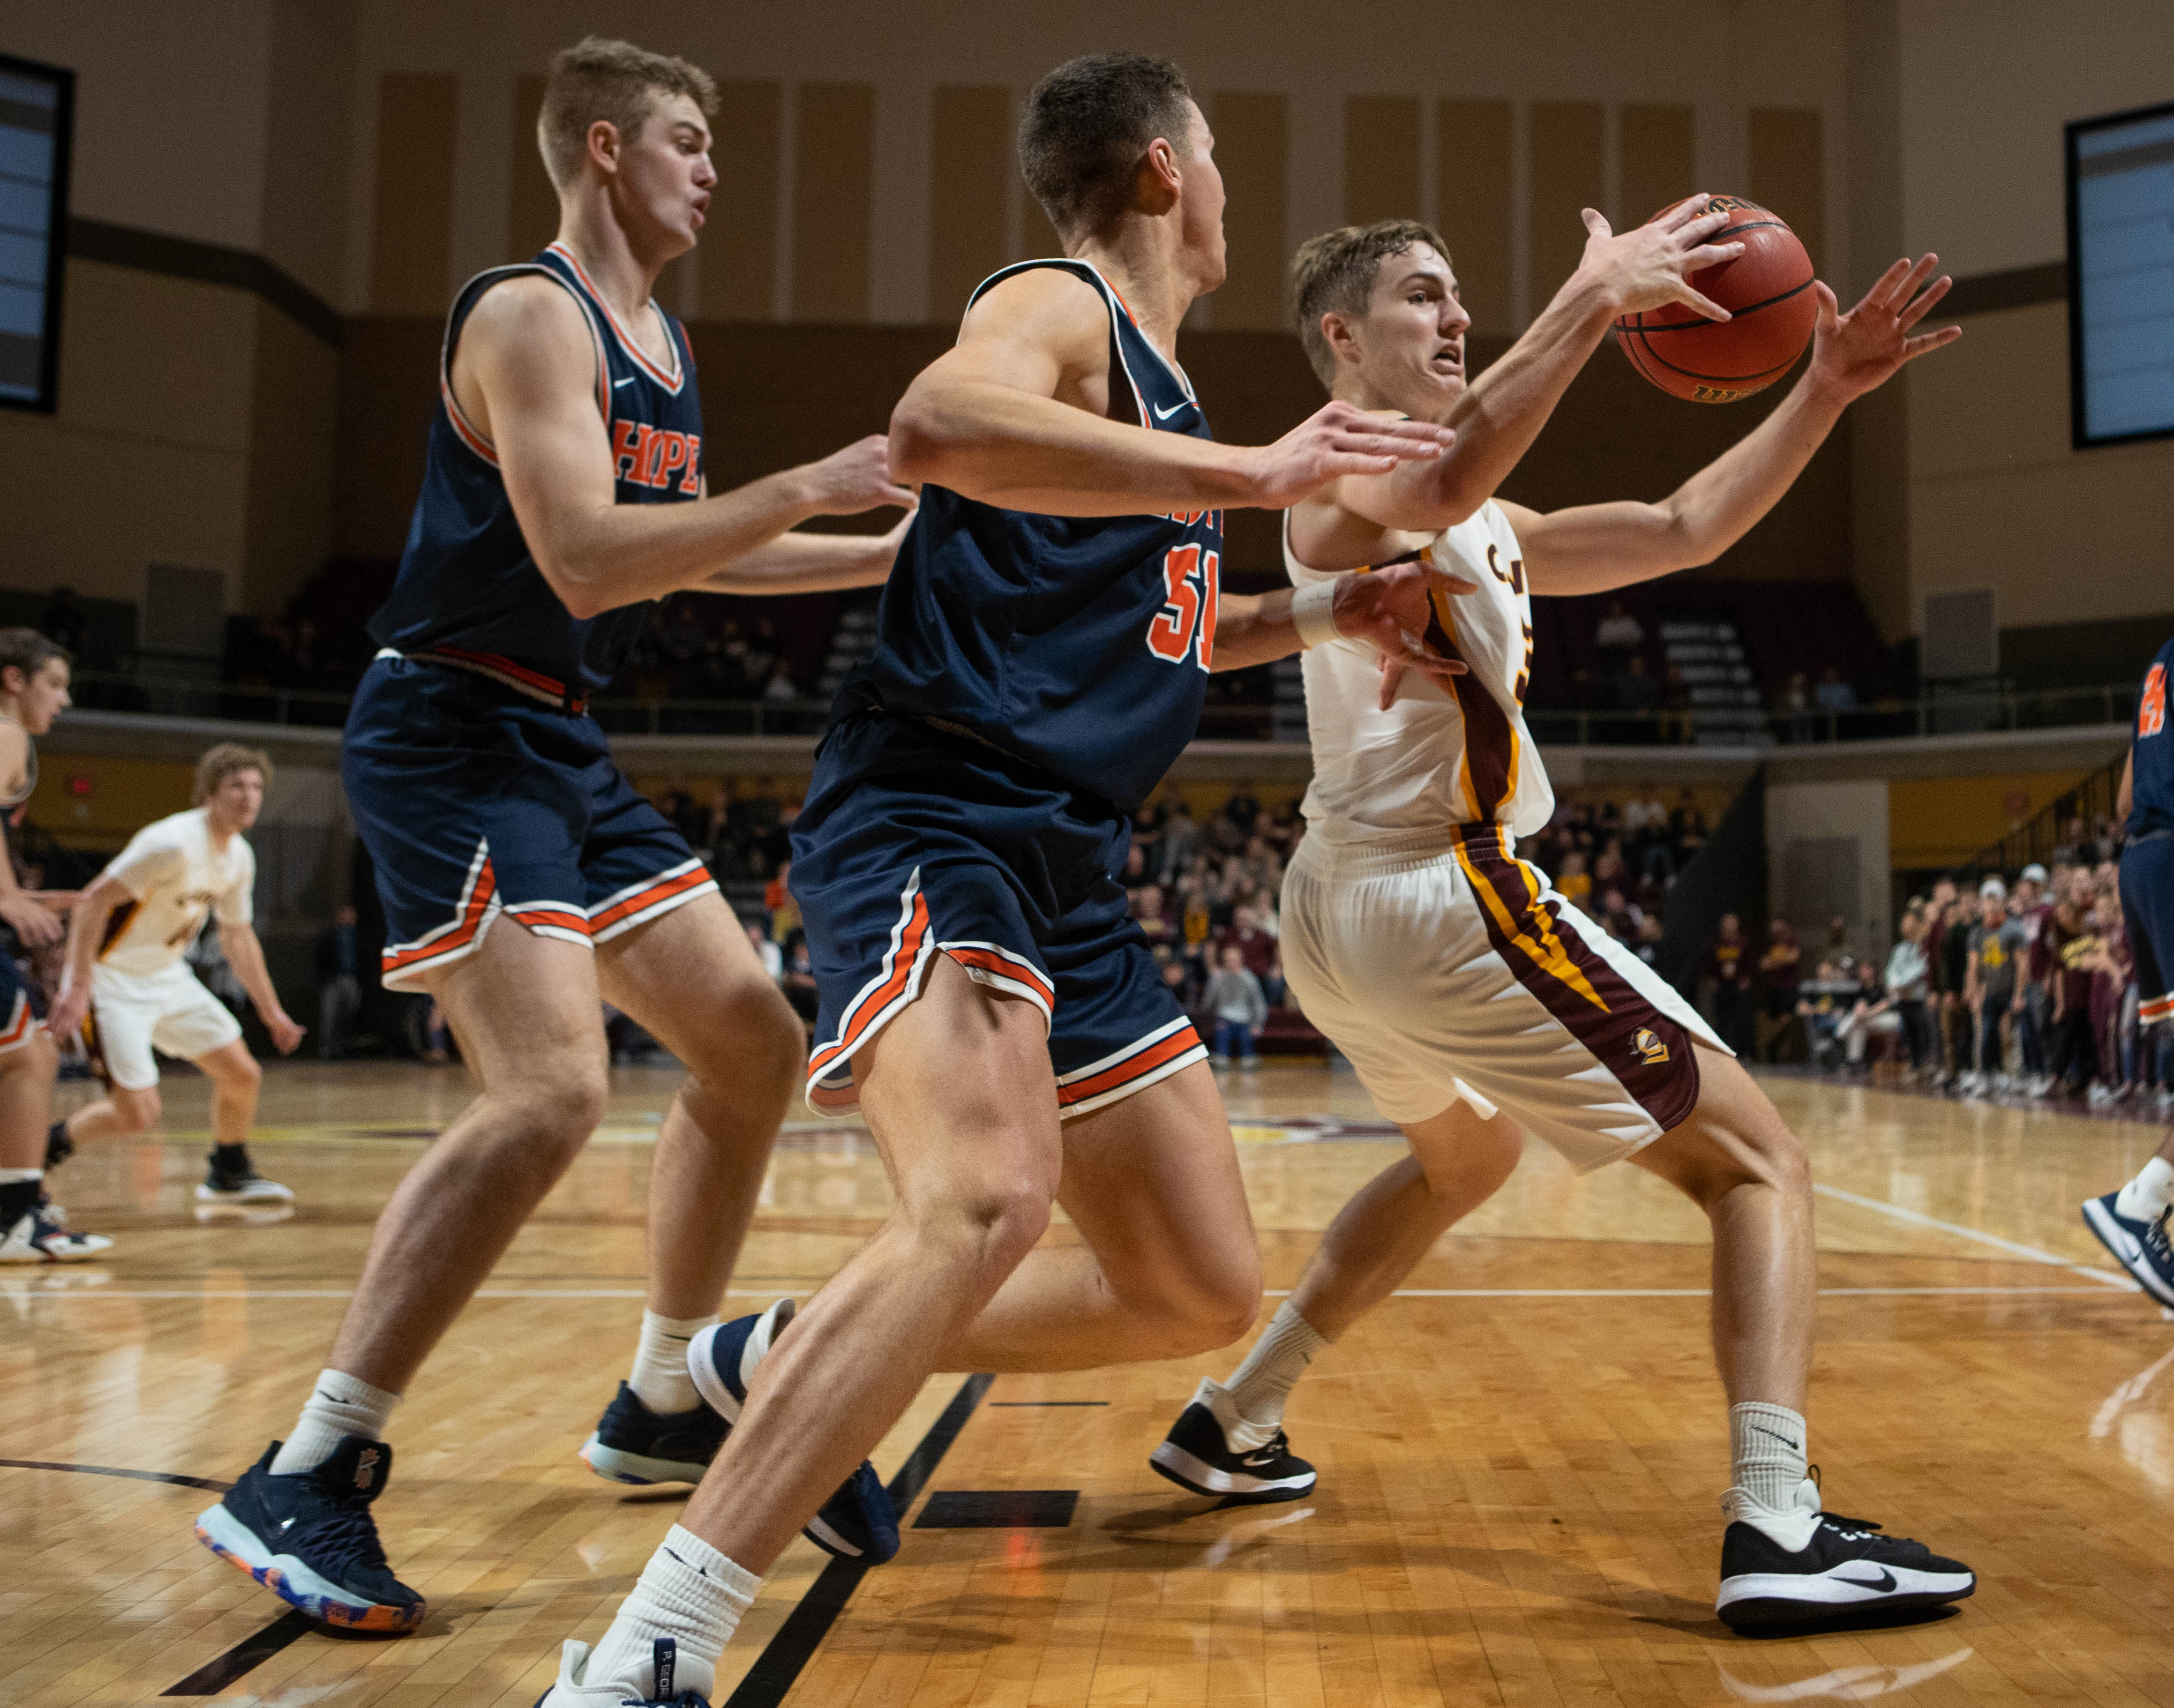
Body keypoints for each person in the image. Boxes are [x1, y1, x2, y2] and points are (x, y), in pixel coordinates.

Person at [535, 54, 1467, 1706]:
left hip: (1071, 872)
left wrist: (1324, 613)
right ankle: (645, 1656)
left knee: (1191, 1276)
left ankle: (765, 1355)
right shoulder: (1057, 307)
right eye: (1221, 155)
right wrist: (1259, 477)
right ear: (1167, 171)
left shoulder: (1165, 414)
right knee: (979, 1198)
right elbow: (936, 424)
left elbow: (1167, 631)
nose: (1234, 188)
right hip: (934, 818)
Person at [1155, 211, 1972, 1635]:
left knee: (1460, 1159)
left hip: (1339, 902)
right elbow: (1458, 456)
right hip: (1441, 888)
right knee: (1761, 1166)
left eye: (1462, 296)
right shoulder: (1348, 465)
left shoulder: (1479, 516)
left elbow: (1681, 527)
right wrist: (1593, 298)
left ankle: (1238, 1412)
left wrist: (1821, 390)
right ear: (1341, 341)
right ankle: (1778, 1517)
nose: (1456, 315)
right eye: (1422, 296)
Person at [191, 36, 917, 1636]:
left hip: (551, 738)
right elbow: (588, 559)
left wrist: (888, 553)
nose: (709, 166)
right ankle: (307, 1466)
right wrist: (814, 477)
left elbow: (693, 555)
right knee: (552, 1091)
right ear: (601, 149)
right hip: (447, 728)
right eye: (683, 137)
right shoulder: (529, 313)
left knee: (747, 1045)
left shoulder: (660, 340)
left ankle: (663, 1388)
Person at [45, 744, 304, 1210]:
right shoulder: (170, 844)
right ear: (208, 794)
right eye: (236, 786)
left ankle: (228, 1173)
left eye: (257, 787)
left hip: (168, 977)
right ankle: (36, 1156)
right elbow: (91, 903)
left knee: (242, 1074)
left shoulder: (240, 856)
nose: (249, 797)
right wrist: (77, 985)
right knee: (136, 1115)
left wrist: (272, 1012)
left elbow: (237, 938)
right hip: (115, 984)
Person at [0, 631, 106, 1263]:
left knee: (27, 1055)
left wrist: (23, 897)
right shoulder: (7, 733)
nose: (64, 700)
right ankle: (13, 1217)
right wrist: (7, 896)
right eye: (55, 684)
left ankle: (18, 1205)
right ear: (14, 679)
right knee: (29, 1058)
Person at [2082, 633, 2174, 1304]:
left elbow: (2120, 802)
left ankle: (2143, 1201)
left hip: (2140, 863)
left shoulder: (2158, 661)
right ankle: (2140, 1204)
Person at [1961, 877, 2026, 1093]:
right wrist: (1974, 993)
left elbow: (2022, 964)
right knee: (1987, 1034)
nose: (1992, 905)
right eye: (1988, 900)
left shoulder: (2013, 929)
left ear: (2003, 901)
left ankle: (2012, 1075)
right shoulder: (1977, 933)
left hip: (2009, 991)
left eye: (1996, 899)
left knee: (2009, 1035)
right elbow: (1973, 967)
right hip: (1989, 992)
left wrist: (2019, 994)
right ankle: (1987, 1075)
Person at [1202, 943, 1268, 1066]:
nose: (1231, 964)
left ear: (1241, 960)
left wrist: (1258, 1023)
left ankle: (1248, 1056)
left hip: (1245, 1020)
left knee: (1247, 1048)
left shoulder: (1249, 978)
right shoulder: (1217, 978)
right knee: (1222, 1039)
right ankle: (1221, 1056)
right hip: (1223, 1019)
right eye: (1228, 960)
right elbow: (1207, 1003)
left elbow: (1259, 1003)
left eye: (1234, 960)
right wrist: (1214, 982)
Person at [314, 904, 362, 1061]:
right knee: (329, 1017)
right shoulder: (329, 937)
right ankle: (325, 1051)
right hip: (332, 982)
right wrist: (324, 979)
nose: (348, 919)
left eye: (351, 916)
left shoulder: (359, 938)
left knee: (347, 1017)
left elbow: (366, 961)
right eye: (344, 915)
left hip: (353, 981)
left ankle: (341, 1049)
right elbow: (319, 960)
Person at [1705, 912, 1757, 1058]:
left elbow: (1750, 963)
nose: (1729, 926)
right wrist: (1712, 981)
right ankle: (1722, 1051)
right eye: (1727, 923)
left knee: (1742, 1021)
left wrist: (1746, 980)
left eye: (1732, 923)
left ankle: (1745, 1053)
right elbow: (1709, 965)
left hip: (1739, 987)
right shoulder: (1716, 943)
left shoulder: (1743, 942)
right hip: (1722, 987)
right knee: (1722, 1021)